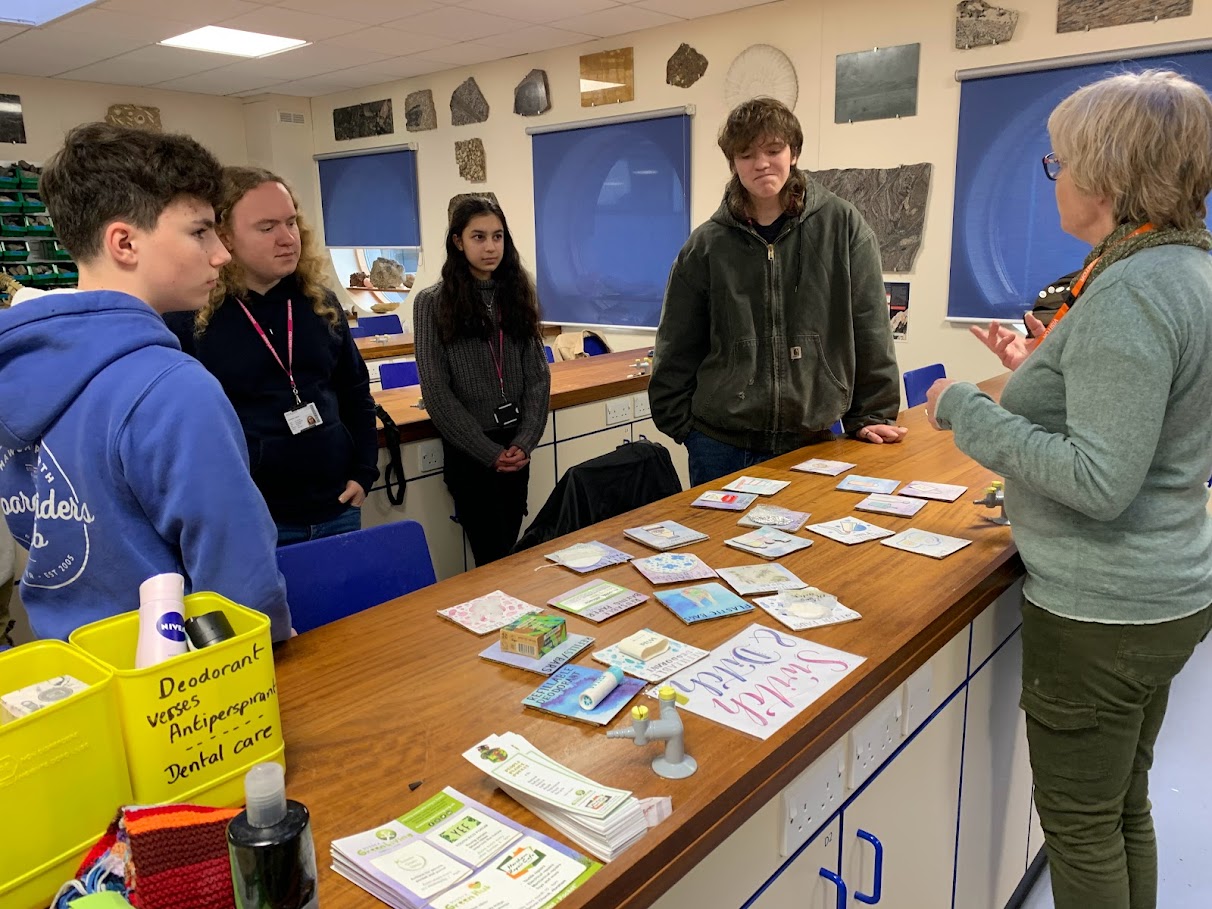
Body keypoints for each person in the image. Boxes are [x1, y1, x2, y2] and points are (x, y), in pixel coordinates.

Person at [926, 70, 1212, 909]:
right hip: (1165, 588)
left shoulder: (1132, 290)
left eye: (1063, 162)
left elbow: (1099, 479)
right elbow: (1151, 432)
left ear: (1111, 176)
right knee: (1122, 806)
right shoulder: (1184, 269)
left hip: (1103, 613)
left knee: (1081, 827)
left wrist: (965, 410)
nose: (1056, 177)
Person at [0, 123, 291, 642]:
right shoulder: (172, 388)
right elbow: (241, 586)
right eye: (200, 231)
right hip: (178, 688)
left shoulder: (17, 368)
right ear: (125, 242)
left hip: (71, 668)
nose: (221, 254)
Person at [649, 97, 905, 487]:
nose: (761, 163)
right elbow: (676, 342)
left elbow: (871, 326)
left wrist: (871, 416)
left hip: (813, 441)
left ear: (794, 152)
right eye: (746, 154)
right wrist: (685, 427)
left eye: (773, 150)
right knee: (717, 548)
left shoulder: (843, 226)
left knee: (813, 548)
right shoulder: (706, 245)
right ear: (733, 163)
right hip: (720, 444)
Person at [166, 168, 379, 546]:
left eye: (291, 222)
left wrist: (364, 471)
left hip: (338, 505)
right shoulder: (192, 317)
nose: (287, 238)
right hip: (253, 520)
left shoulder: (320, 303)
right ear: (224, 236)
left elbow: (355, 393)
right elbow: (183, 431)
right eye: (267, 228)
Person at [413, 197, 550, 566]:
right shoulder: (432, 303)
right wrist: (490, 453)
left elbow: (538, 377)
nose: (490, 247)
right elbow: (436, 392)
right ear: (458, 241)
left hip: (516, 446)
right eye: (478, 237)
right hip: (471, 452)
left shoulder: (517, 292)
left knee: (509, 553)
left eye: (497, 236)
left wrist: (524, 442)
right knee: (489, 558)